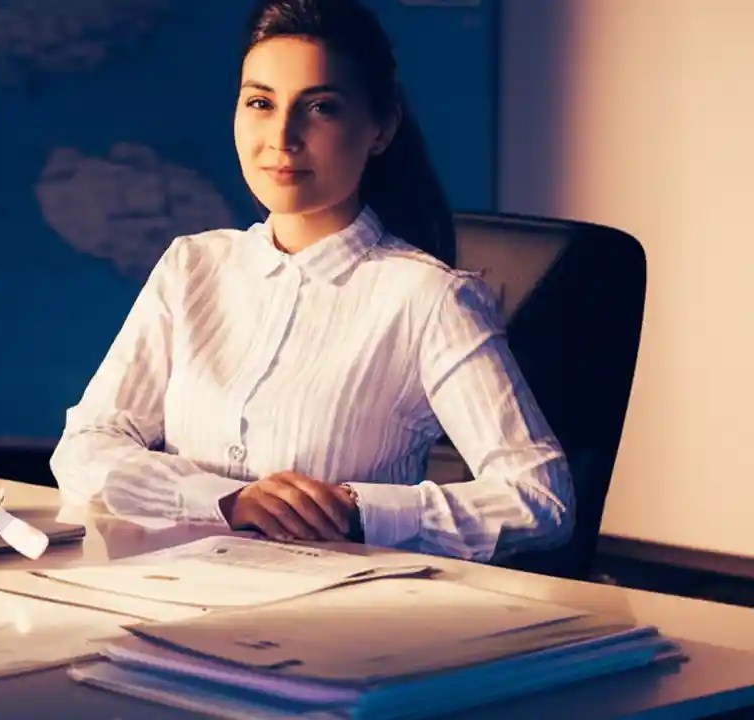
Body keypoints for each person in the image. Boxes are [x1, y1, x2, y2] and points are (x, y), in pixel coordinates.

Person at [49, 0, 573, 562]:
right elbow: (84, 447)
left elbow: (539, 501)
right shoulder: (192, 266)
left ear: (380, 127)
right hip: (169, 594)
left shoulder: (429, 299)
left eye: (320, 107)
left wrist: (356, 510)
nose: (282, 136)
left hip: (332, 620)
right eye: (260, 102)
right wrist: (225, 500)